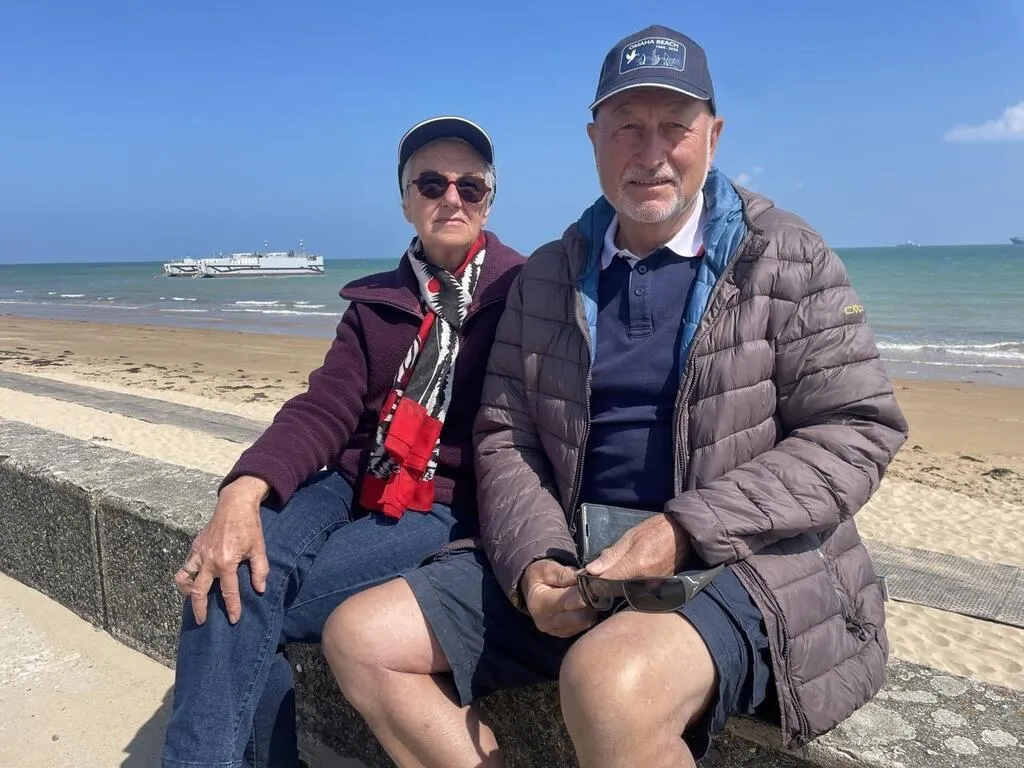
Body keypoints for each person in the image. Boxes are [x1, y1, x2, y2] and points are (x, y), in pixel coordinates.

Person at [321, 24, 910, 768]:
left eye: (675, 126)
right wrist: (536, 561)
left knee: (605, 682)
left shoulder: (785, 256)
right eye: (627, 126)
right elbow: (507, 433)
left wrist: (684, 530)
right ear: (594, 137)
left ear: (714, 135)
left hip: (743, 564)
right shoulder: (549, 274)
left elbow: (856, 429)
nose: (651, 152)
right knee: (361, 639)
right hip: (579, 557)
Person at [160, 115, 526, 768]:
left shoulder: (520, 293)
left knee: (242, 601)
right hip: (351, 480)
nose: (452, 199)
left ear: (489, 199)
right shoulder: (376, 301)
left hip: (441, 503)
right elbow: (323, 410)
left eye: (470, 186)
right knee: (227, 574)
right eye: (432, 183)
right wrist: (243, 491)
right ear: (405, 197)